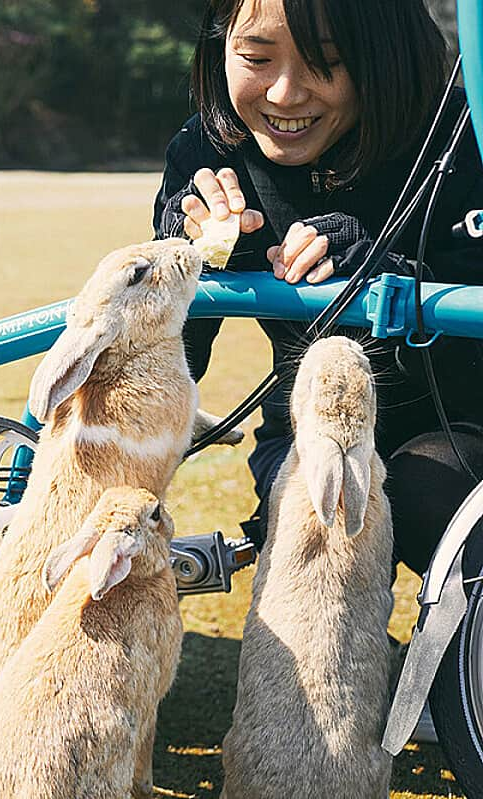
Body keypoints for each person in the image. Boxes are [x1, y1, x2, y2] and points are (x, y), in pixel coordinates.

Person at [154, 0, 483, 595]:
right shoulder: (209, 146)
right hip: (307, 428)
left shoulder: (462, 134)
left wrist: (385, 272)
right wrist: (192, 261)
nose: (284, 93)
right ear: (218, 45)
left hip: (461, 423)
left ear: (387, 55)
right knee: (314, 518)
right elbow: (170, 365)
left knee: (429, 492)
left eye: (326, 63)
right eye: (256, 57)